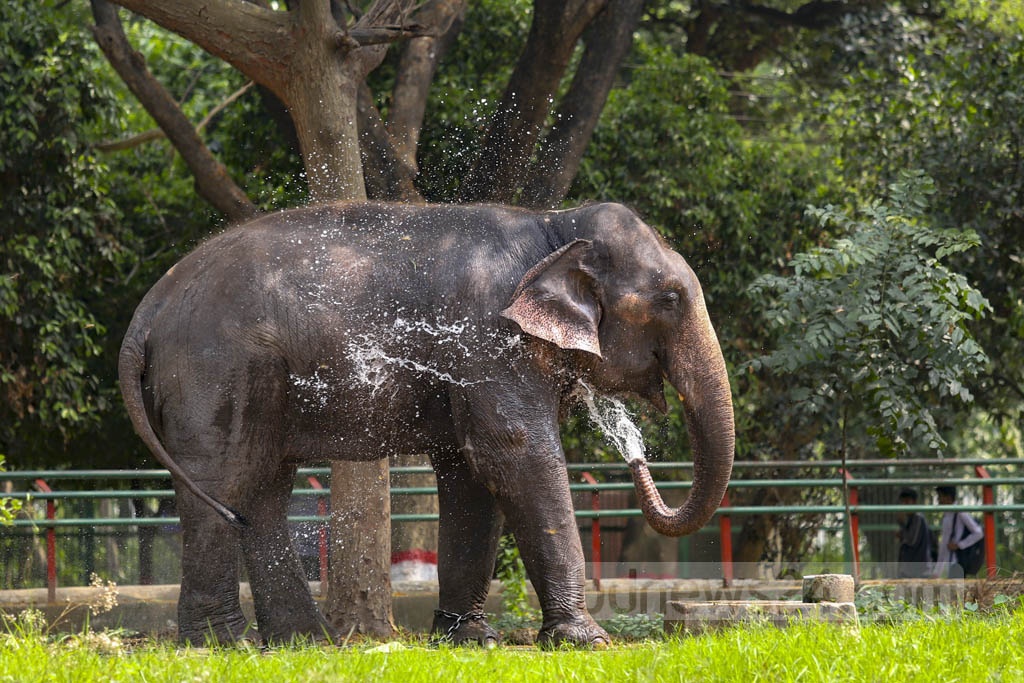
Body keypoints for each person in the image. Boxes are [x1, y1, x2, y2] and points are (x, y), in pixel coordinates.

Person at [933, 485, 984, 578]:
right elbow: (944, 545)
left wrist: (959, 545)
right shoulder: (947, 515)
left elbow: (978, 533)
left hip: (958, 562)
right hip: (949, 563)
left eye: (940, 496)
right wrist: (937, 572)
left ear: (948, 497)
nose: (938, 500)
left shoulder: (960, 512)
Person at [896, 488, 934, 578]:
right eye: (903, 502)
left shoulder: (918, 518)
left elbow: (911, 541)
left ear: (914, 502)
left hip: (920, 569)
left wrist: (902, 524)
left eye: (907, 501)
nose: (904, 505)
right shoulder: (911, 519)